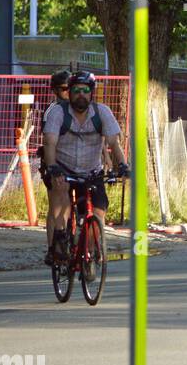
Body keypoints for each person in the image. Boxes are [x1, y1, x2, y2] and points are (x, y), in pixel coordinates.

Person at [41, 71, 129, 266]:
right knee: (61, 193)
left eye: (85, 90)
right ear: (69, 93)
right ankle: (61, 236)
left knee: (98, 211)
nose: (81, 94)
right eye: (76, 90)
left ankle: (89, 250)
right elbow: (50, 143)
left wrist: (123, 164)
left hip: (91, 170)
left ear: (92, 93)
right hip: (63, 167)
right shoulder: (57, 112)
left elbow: (114, 142)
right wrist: (53, 167)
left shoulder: (102, 112)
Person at [39, 69, 73, 252]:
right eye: (63, 89)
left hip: (77, 163)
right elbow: (48, 140)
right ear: (54, 91)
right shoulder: (52, 110)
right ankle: (53, 248)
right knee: (56, 204)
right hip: (55, 162)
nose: (68, 92)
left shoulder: (80, 107)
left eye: (71, 88)